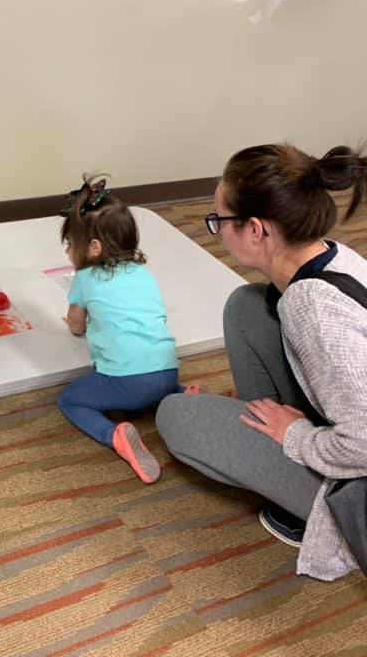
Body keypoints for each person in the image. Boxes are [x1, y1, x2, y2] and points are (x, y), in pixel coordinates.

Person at [156, 143, 367, 581]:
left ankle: (314, 517)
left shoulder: (315, 311)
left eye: (219, 221)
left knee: (176, 415)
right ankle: (267, 434)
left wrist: (298, 437)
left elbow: (363, 444)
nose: (216, 229)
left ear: (256, 230)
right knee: (248, 305)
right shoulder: (330, 256)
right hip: (351, 419)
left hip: (357, 478)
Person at [57, 175, 184, 484]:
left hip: (127, 385)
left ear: (95, 247)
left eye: (71, 245)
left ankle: (115, 435)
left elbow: (75, 325)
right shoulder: (143, 273)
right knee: (153, 381)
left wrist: (78, 325)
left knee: (69, 399)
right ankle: (184, 394)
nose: (68, 252)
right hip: (169, 372)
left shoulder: (85, 279)